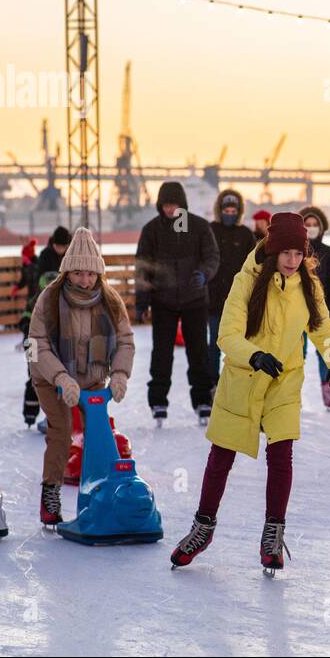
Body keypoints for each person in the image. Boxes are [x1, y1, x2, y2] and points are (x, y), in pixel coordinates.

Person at [170, 213, 330, 574]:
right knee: (221, 455)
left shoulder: (308, 285)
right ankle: (203, 527)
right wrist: (254, 355)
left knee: (281, 453)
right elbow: (226, 334)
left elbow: (322, 327)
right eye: (285, 252)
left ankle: (273, 533)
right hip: (244, 377)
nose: (292, 260)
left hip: (284, 379)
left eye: (298, 254)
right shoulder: (246, 281)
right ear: (271, 250)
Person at [27, 228, 135, 527]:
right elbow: (36, 345)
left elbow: (125, 340)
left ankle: (102, 492)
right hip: (52, 379)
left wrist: (120, 374)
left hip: (92, 377)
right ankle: (51, 492)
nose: (84, 280)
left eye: (90, 274)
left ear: (98, 273)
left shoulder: (110, 300)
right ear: (67, 272)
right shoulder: (49, 299)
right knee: (61, 432)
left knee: (98, 433)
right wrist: (61, 378)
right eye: (78, 273)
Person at [135, 181, 220, 427]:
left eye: (174, 205)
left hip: (194, 300)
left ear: (182, 204)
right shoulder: (151, 230)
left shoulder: (199, 226)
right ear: (160, 205)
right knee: (161, 352)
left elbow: (212, 256)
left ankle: (203, 399)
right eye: (166, 205)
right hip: (163, 300)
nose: (170, 210)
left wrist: (204, 273)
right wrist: (142, 302)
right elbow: (142, 267)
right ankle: (158, 400)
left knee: (198, 352)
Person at [18, 225, 70, 430]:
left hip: (52, 341)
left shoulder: (62, 302)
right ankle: (30, 414)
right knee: (33, 374)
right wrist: (25, 325)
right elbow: (27, 316)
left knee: (56, 375)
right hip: (31, 340)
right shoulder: (37, 300)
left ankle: (54, 417)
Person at [207, 189, 257, 389]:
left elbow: (254, 265)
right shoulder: (210, 230)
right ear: (220, 210)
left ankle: (236, 382)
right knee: (215, 344)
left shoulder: (245, 234)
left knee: (238, 343)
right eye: (226, 209)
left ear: (238, 211)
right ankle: (213, 383)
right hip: (213, 299)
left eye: (233, 210)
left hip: (238, 300)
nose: (229, 213)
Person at [298, 205, 330, 410]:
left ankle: (326, 387)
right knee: (298, 352)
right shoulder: (295, 250)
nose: (312, 228)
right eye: (307, 225)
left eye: (315, 225)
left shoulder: (327, 252)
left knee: (326, 351)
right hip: (297, 311)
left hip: (321, 310)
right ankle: (292, 391)